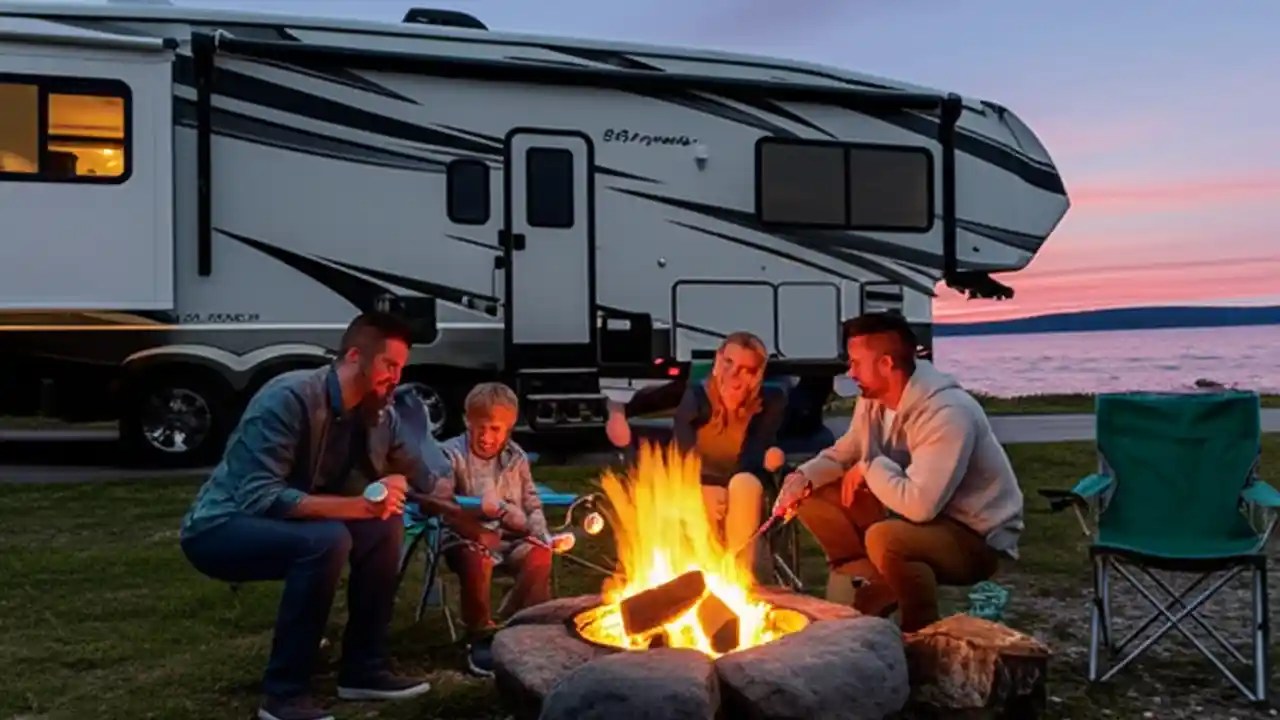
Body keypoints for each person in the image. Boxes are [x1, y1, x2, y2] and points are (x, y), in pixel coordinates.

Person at [178, 312, 451, 720]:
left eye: (401, 369)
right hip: (222, 525)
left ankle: (363, 669)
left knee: (383, 525)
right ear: (356, 356)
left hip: (300, 521)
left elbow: (427, 481)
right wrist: (358, 506)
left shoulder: (380, 414)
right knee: (327, 539)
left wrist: (478, 510)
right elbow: (260, 496)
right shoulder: (288, 398)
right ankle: (284, 695)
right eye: (389, 365)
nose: (396, 378)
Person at [773, 312, 1024, 633]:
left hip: (977, 536)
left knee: (886, 538)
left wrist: (870, 467)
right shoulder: (874, 399)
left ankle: (917, 636)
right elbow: (846, 451)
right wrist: (801, 478)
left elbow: (921, 506)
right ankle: (861, 575)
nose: (849, 372)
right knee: (813, 494)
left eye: (855, 362)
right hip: (922, 520)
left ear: (886, 364)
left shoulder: (947, 413)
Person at [607, 332, 788, 576]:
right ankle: (698, 577)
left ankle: (742, 579)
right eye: (728, 363)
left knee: (743, 487)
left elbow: (753, 455)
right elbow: (685, 455)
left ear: (756, 377)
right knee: (697, 503)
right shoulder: (696, 396)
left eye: (746, 369)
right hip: (695, 480)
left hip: (743, 477)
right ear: (717, 362)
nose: (733, 375)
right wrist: (615, 414)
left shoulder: (770, 400)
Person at [423, 382, 553, 678]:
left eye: (495, 429)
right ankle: (481, 634)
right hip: (464, 537)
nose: (485, 436)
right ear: (467, 420)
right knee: (475, 557)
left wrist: (539, 530)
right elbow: (439, 502)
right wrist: (476, 511)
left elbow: (531, 500)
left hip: (510, 538)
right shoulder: (450, 454)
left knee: (539, 555)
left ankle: (522, 623)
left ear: (508, 429)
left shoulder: (515, 457)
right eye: (478, 427)